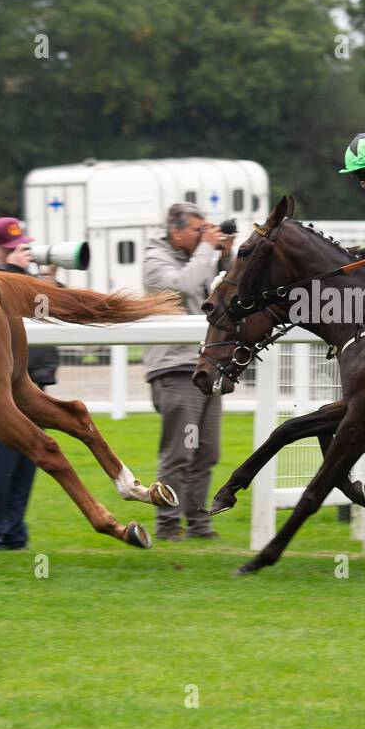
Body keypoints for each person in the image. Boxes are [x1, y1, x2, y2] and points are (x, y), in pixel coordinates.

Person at [0, 217, 61, 551]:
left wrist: (48, 281)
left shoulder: (23, 279)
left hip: (31, 383)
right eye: (14, 250)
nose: (24, 254)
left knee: (29, 463)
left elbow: (51, 312)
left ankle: (13, 532)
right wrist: (23, 276)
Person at [143, 203, 233, 541]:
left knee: (207, 450)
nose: (203, 235)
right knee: (180, 450)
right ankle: (167, 526)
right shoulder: (155, 261)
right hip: (174, 369)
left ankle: (199, 524)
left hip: (205, 367)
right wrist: (208, 249)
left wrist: (224, 255)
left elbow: (221, 293)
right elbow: (182, 286)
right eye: (198, 230)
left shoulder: (198, 257)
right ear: (176, 231)